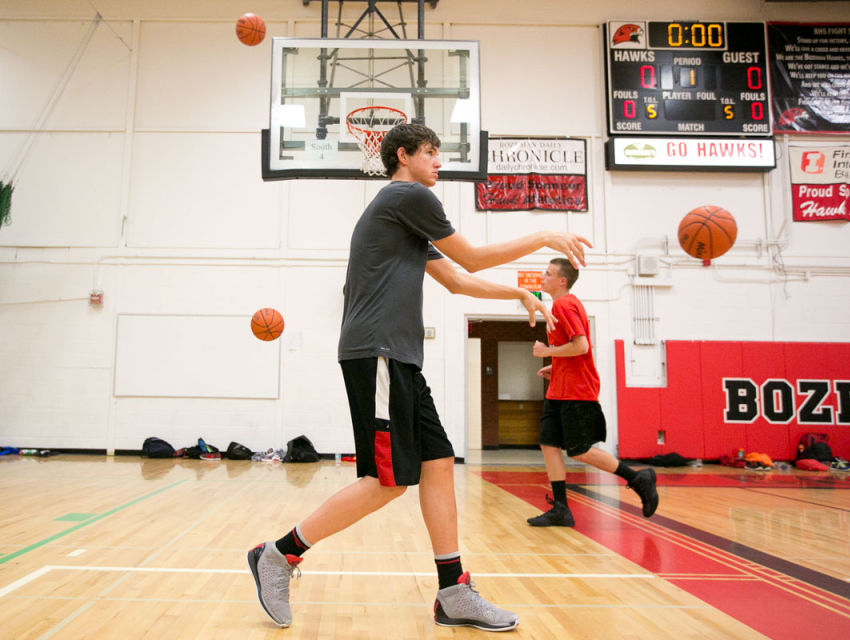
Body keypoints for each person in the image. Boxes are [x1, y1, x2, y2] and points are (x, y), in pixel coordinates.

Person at [247, 123, 591, 631]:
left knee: (436, 465)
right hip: (378, 351)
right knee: (385, 485)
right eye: (431, 153)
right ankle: (279, 554)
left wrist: (517, 295)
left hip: (400, 357)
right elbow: (470, 255)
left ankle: (453, 591)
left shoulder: (404, 218)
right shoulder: (407, 195)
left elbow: (456, 278)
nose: (439, 163)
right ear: (403, 155)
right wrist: (542, 234)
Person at [527, 258, 658, 527]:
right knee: (548, 444)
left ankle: (637, 478)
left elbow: (582, 345)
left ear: (562, 281)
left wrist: (547, 351)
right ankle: (561, 508)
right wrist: (557, 365)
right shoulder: (560, 305)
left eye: (548, 274)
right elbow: (574, 350)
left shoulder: (564, 304)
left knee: (579, 451)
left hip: (577, 392)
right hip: (559, 391)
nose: (543, 277)